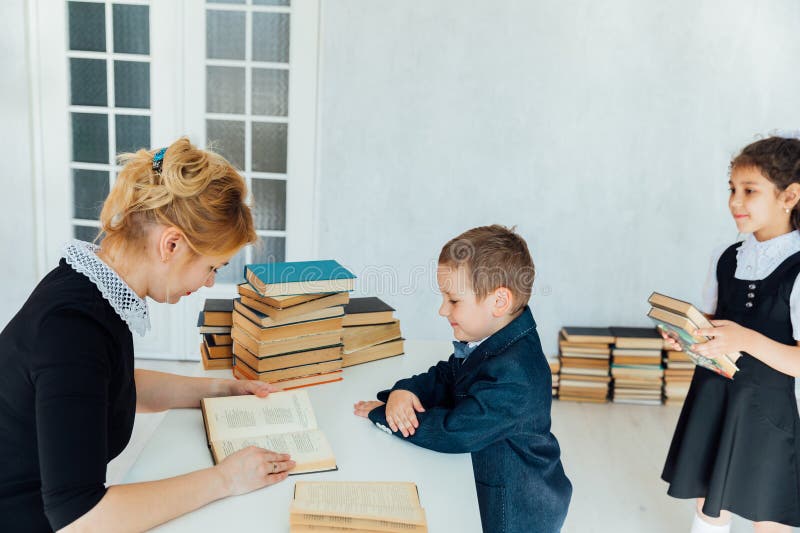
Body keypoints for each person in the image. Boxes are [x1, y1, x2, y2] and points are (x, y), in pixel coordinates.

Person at [0, 138, 295, 532]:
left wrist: (219, 391)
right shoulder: (72, 329)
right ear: (171, 244)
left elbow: (110, 385)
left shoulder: (90, 289)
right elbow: (80, 517)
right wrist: (226, 479)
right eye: (212, 267)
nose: (208, 283)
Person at [353, 225, 572, 533]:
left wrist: (387, 416)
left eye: (453, 300)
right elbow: (448, 375)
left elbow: (457, 431)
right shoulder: (494, 339)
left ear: (499, 302)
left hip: (519, 510)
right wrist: (403, 392)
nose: (443, 310)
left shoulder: (516, 374)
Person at [662, 136, 800, 533]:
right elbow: (714, 323)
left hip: (770, 411)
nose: (735, 201)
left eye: (750, 191)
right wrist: (688, 334)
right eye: (732, 189)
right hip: (716, 398)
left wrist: (745, 339)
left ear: (789, 196)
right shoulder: (726, 257)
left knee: (767, 507)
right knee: (710, 498)